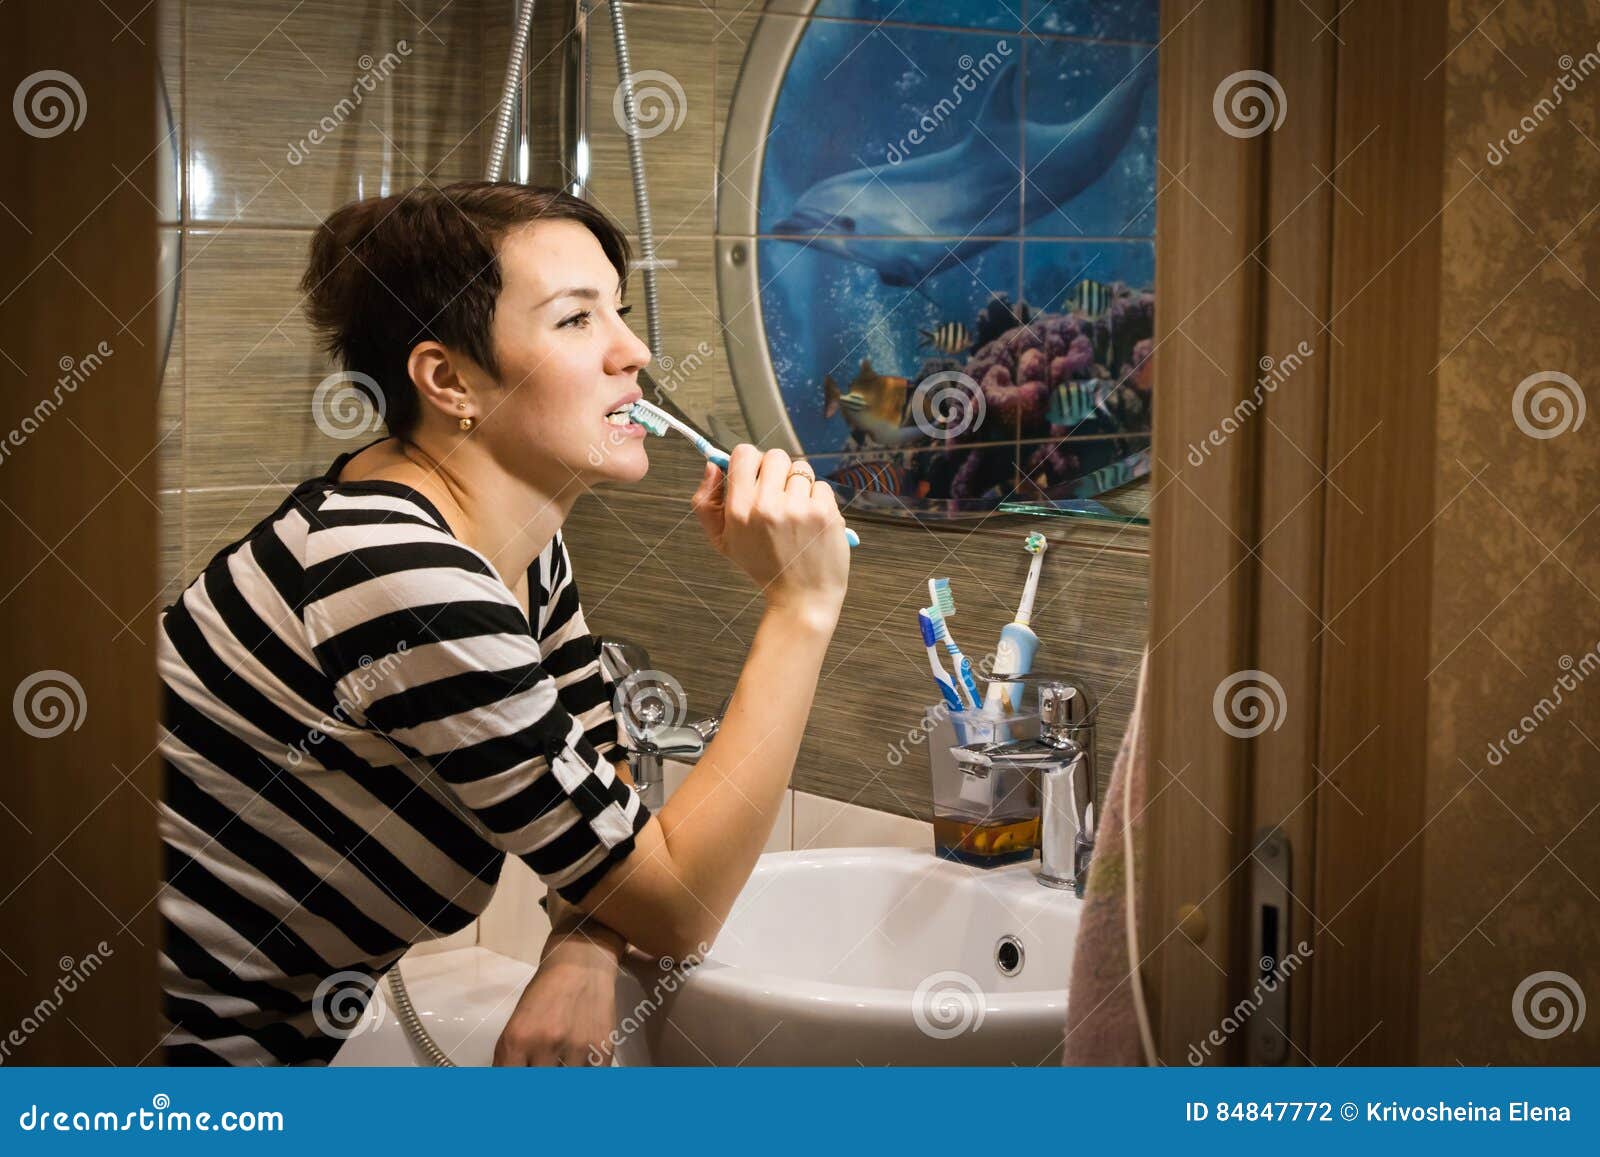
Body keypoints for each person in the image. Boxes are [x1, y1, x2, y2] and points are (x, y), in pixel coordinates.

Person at [156, 181, 849, 1065]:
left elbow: (603, 799)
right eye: (575, 321)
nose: (633, 351)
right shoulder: (407, 577)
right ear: (448, 379)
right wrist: (801, 605)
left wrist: (583, 944)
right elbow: (679, 908)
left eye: (621, 312)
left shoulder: (510, 544)